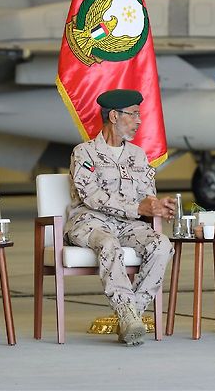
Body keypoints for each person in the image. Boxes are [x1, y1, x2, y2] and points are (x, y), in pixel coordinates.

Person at [65, 89, 176, 346]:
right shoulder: (84, 152)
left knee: (162, 244)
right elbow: (91, 196)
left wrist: (158, 206)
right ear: (114, 116)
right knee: (109, 244)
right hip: (90, 222)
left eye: (139, 114)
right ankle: (128, 313)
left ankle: (131, 314)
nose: (139, 120)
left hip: (128, 226)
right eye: (134, 114)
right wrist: (138, 209)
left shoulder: (137, 155)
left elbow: (147, 196)